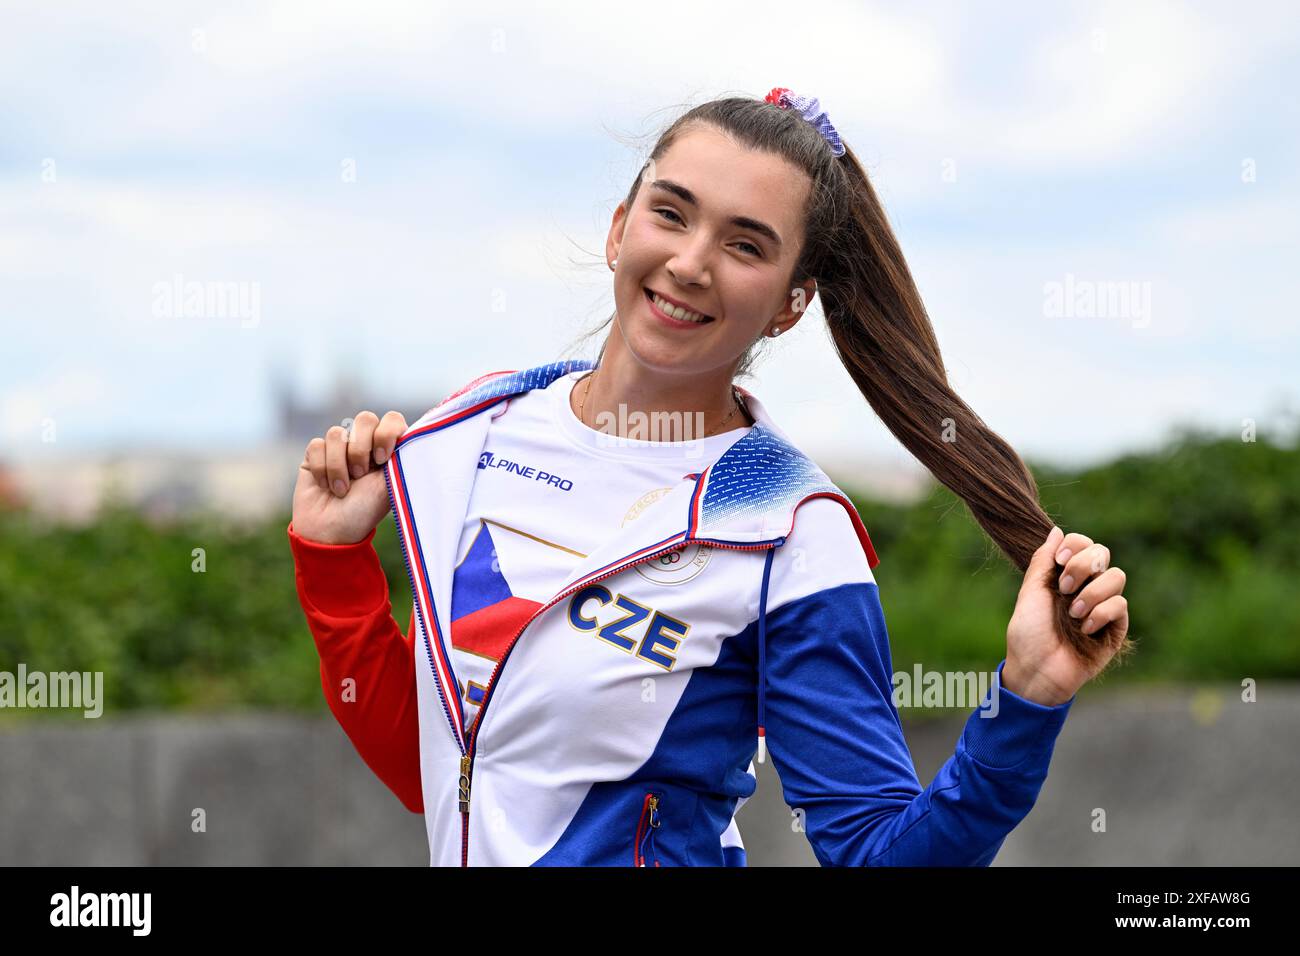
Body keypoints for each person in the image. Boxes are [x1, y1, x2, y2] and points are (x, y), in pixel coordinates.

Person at [288, 88, 1133, 866]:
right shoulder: (471, 434)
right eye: (671, 214)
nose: (692, 263)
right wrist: (335, 565)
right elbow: (438, 773)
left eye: (744, 245)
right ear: (621, 226)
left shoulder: (791, 529)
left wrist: (1023, 702)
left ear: (790, 304)